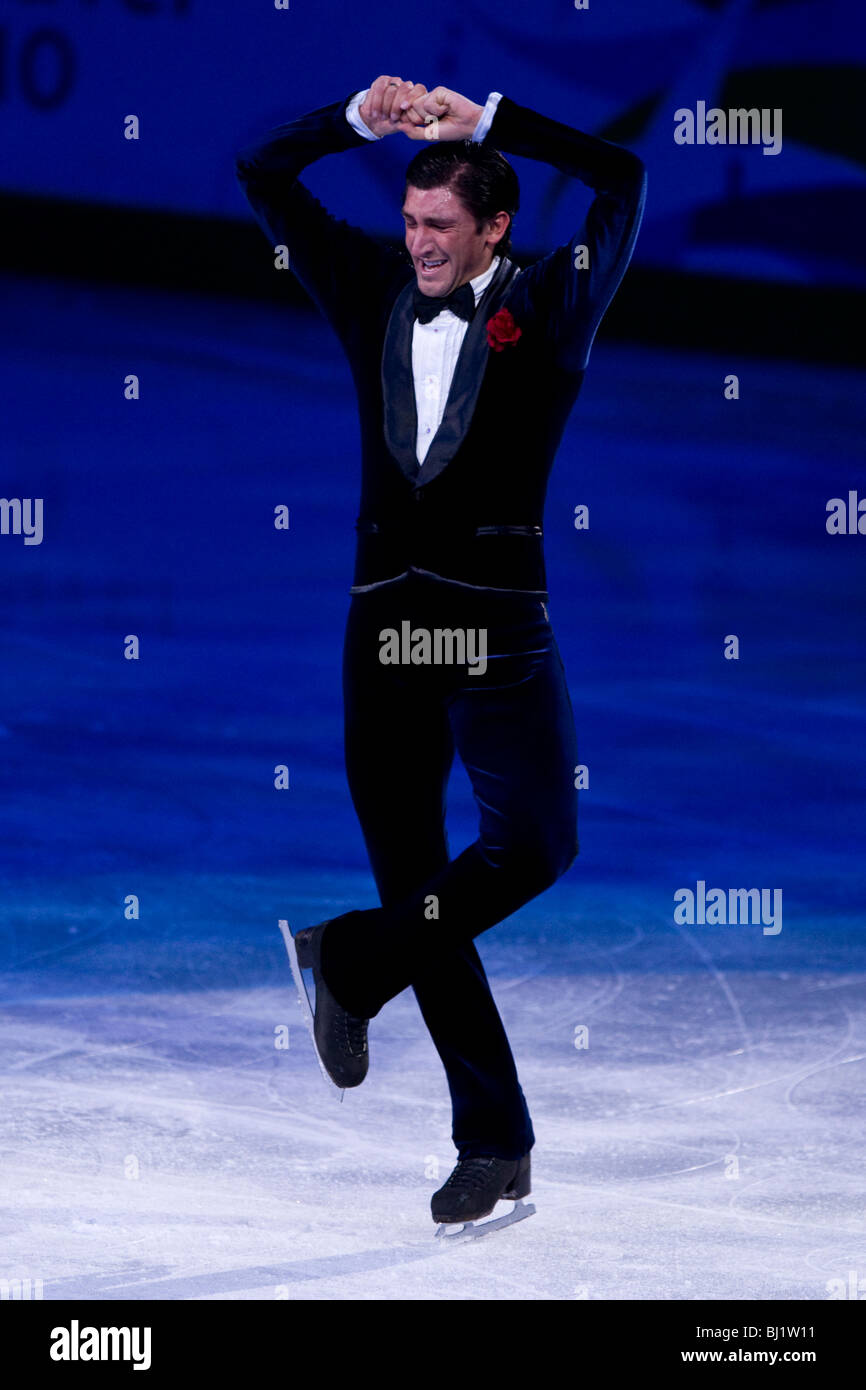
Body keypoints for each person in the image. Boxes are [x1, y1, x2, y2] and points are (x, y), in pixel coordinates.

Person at [235, 76, 646, 1227]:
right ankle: (493, 1141)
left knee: (531, 851)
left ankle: (353, 964)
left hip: (495, 627)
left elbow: (625, 178)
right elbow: (259, 169)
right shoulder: (367, 282)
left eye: (440, 228)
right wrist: (354, 122)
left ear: (494, 228)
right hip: (381, 630)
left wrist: (497, 122)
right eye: (408, 221)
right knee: (426, 890)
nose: (415, 244)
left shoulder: (554, 302)